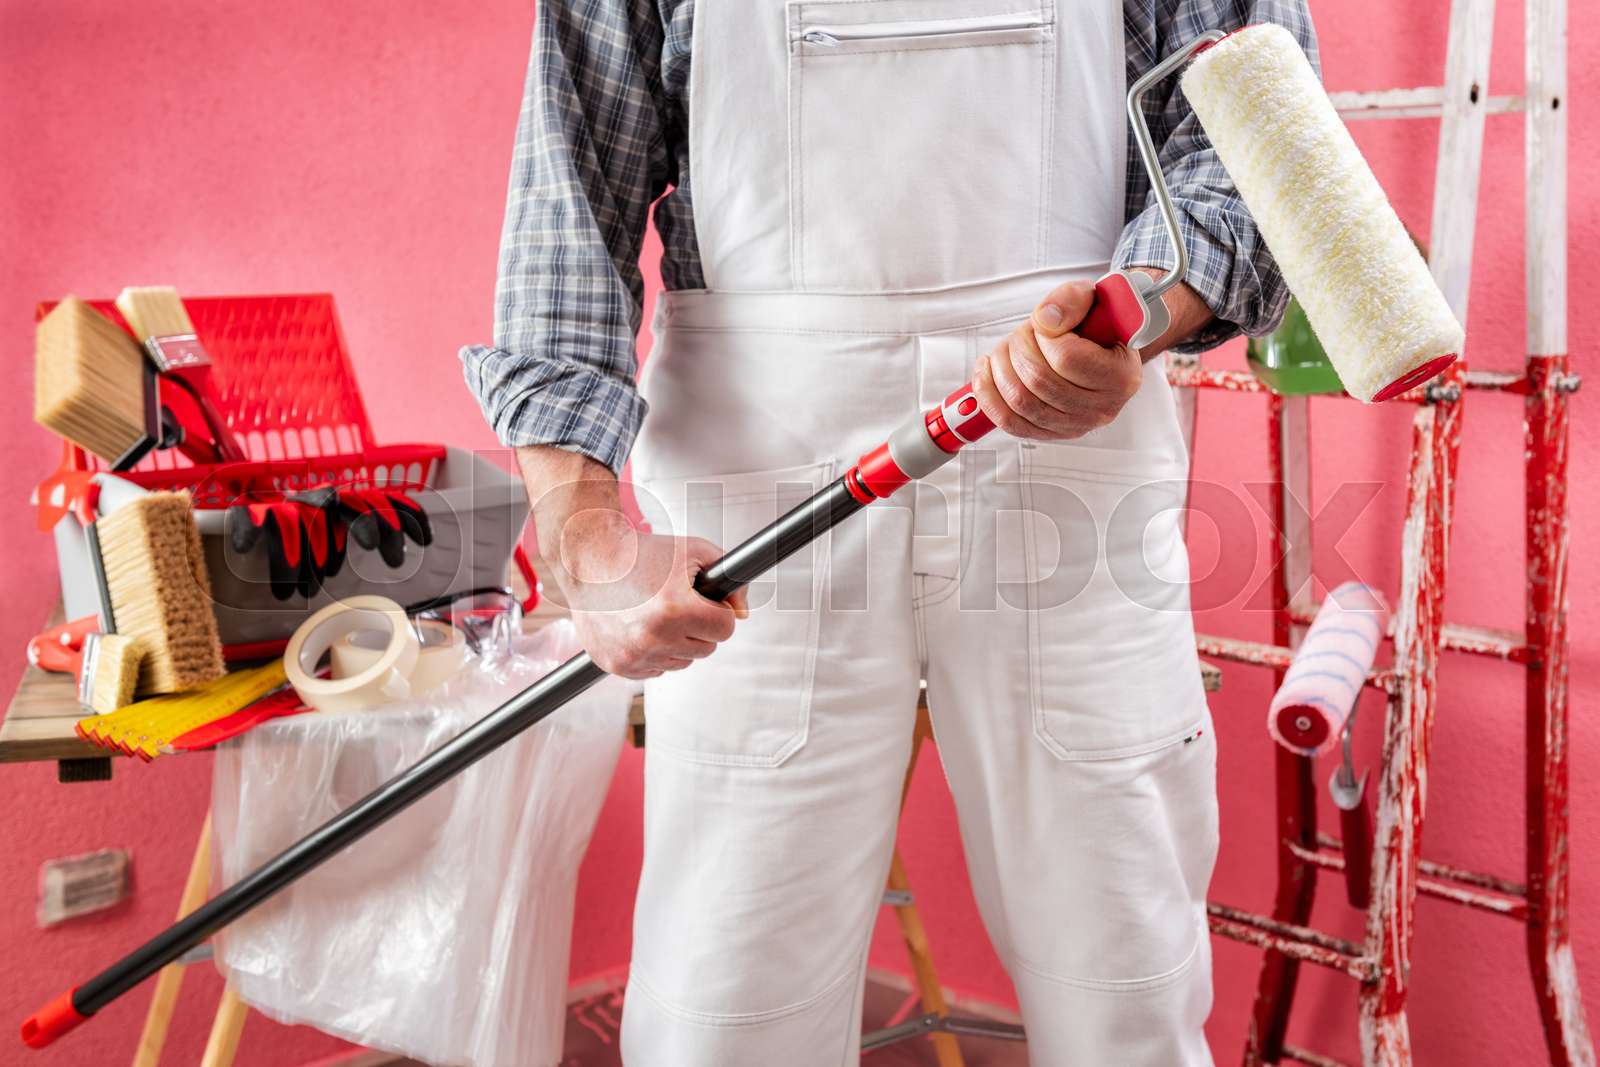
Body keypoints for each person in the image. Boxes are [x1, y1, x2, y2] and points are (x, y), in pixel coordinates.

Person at [463, 1, 1317, 1062]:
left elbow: (1250, 139)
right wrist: (586, 542)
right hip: (755, 475)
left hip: (1071, 439)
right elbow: (568, 207)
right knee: (726, 1007)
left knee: (1124, 978)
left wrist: (1137, 309)